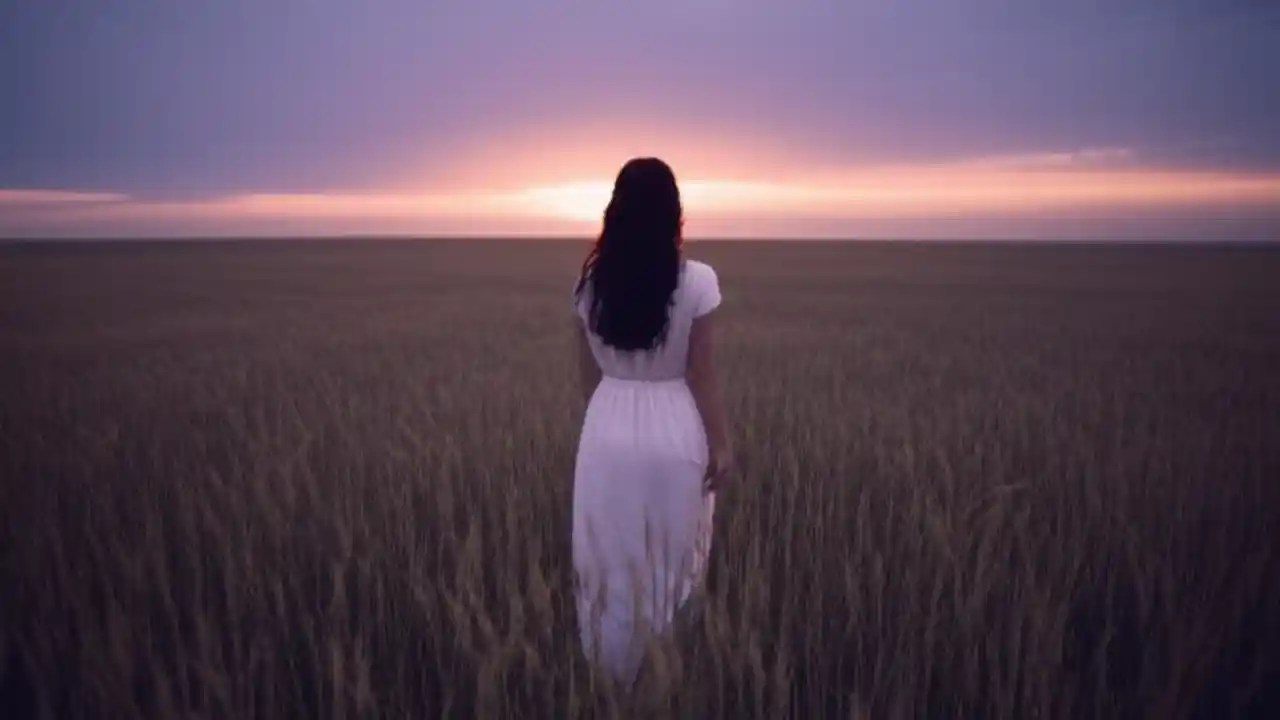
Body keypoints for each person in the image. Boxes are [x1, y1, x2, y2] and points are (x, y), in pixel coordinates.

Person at [570, 157, 732, 685]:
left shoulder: (590, 287)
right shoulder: (698, 281)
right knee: (672, 563)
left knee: (610, 564)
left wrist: (603, 431)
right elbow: (702, 373)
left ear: (615, 211)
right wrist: (722, 445)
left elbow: (587, 379)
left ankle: (612, 683)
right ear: (674, 213)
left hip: (606, 429)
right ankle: (665, 682)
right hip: (674, 428)